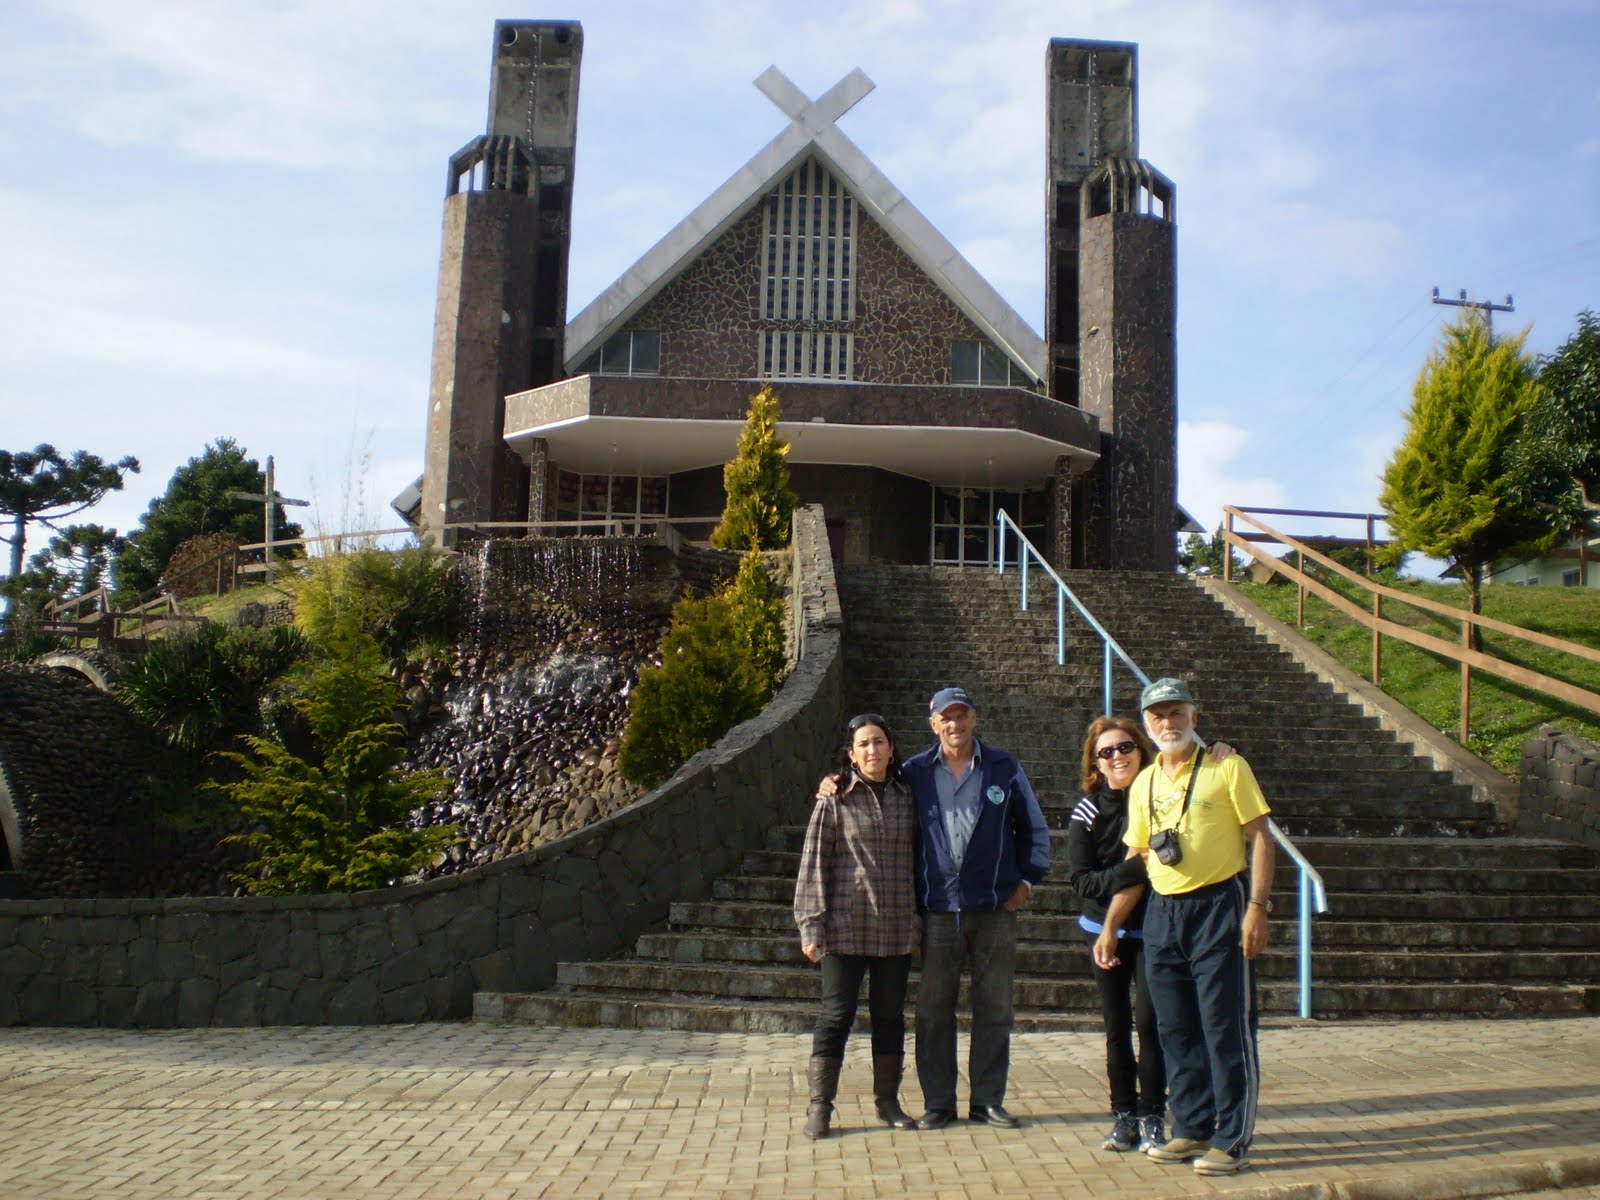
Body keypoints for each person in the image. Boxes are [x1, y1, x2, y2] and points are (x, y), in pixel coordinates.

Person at [1096, 678, 1275, 1177]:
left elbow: (1260, 837)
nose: (1168, 723)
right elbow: (1137, 856)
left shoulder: (1226, 766)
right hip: (1162, 913)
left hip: (1219, 904)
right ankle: (1191, 1126)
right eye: (1157, 716)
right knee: (1174, 1027)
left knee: (1225, 1026)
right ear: (1147, 725)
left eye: (1176, 713)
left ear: (1194, 718)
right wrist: (1111, 924)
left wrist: (1257, 906)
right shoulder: (1146, 781)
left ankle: (1231, 1137)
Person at [1069, 716, 1234, 1156]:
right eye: (1106, 752)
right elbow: (1082, 880)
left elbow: (1199, 767)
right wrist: (1136, 866)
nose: (1117, 757)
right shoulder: (1086, 811)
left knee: (1152, 1024)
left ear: (1141, 751)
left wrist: (1221, 747)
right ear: (1095, 763)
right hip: (1101, 927)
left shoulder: (1158, 791)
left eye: (1124, 747)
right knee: (1116, 1027)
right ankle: (1123, 1115)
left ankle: (1151, 1116)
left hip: (1154, 927)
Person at [902, 686, 1051, 1130]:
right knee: (933, 1012)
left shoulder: (1004, 767)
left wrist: (1027, 881)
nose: (955, 724)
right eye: (946, 717)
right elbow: (871, 792)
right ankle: (938, 1103)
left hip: (994, 910)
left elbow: (1036, 830)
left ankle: (987, 1100)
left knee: (994, 1008)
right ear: (933, 724)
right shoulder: (913, 772)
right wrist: (833, 782)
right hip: (939, 910)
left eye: (961, 715)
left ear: (974, 719)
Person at [793, 713, 920, 1139]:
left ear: (891, 748)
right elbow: (814, 865)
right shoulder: (835, 799)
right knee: (835, 1017)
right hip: (845, 929)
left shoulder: (908, 797)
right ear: (851, 754)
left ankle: (888, 1102)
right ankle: (820, 1106)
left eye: (879, 742)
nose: (872, 750)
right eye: (863, 744)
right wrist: (811, 926)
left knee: (889, 1018)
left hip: (897, 928)